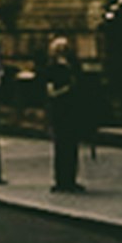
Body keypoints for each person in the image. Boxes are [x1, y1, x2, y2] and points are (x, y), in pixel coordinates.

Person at [45, 39, 87, 194]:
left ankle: (70, 179)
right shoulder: (53, 68)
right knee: (61, 146)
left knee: (72, 147)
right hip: (60, 112)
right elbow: (51, 92)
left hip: (73, 111)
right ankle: (61, 180)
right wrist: (67, 89)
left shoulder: (73, 66)